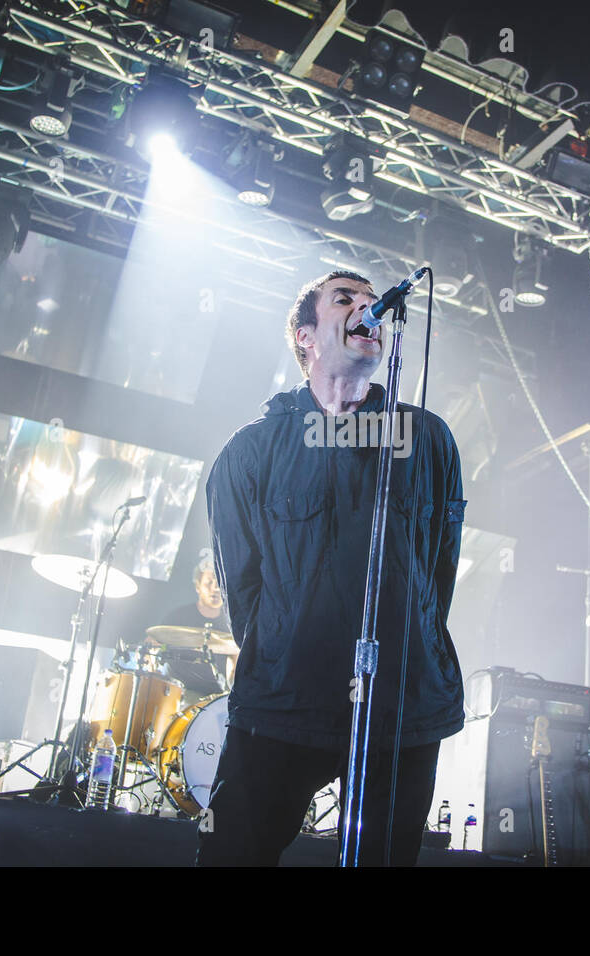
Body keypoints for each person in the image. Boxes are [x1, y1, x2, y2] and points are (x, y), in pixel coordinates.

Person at [198, 270, 467, 866]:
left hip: (400, 705)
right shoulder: (252, 450)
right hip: (283, 700)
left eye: (373, 302)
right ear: (305, 337)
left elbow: (438, 570)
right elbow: (244, 590)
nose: (367, 309)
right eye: (345, 300)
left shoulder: (426, 439)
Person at [155, 553, 234, 697]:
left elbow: (236, 664)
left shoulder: (233, 624)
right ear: (198, 586)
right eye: (209, 582)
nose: (215, 588)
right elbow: (153, 645)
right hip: (177, 692)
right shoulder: (179, 616)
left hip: (215, 696)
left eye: (220, 584)